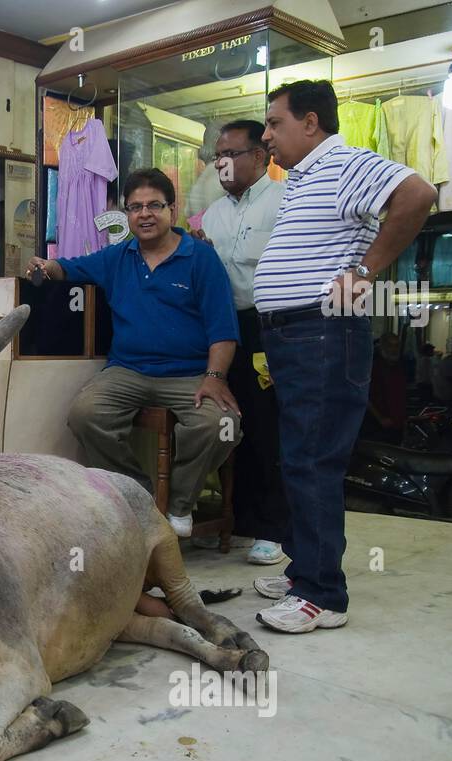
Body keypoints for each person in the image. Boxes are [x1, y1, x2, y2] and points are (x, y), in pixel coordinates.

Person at [252, 80, 437, 633]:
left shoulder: (344, 160)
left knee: (314, 459)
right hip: (296, 336)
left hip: (323, 333)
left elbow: (418, 194)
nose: (266, 136)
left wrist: (365, 271)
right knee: (299, 455)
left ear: (311, 123)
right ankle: (305, 569)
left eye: (274, 123)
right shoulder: (306, 176)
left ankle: (322, 596)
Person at [26, 167, 242, 539]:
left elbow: (223, 330)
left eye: (154, 205)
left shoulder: (200, 258)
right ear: (126, 215)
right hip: (129, 371)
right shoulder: (117, 257)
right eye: (135, 207)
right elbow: (68, 268)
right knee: (85, 414)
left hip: (190, 373)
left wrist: (215, 377)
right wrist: (47, 266)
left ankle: (178, 503)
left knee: (221, 426)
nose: (144, 214)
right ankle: (141, 496)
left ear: (172, 211)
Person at [194, 119, 289, 566]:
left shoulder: (285, 200)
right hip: (225, 329)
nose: (223, 162)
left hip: (270, 327)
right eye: (219, 155)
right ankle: (244, 520)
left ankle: (275, 528)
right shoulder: (212, 214)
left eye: (231, 153)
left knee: (271, 426)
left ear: (260, 155)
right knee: (236, 425)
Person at [363, 333, 407, 444]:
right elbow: (365, 397)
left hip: (397, 426)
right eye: (390, 345)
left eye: (397, 345)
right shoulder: (373, 368)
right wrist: (380, 419)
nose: (394, 349)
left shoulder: (399, 368)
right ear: (382, 347)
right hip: (378, 429)